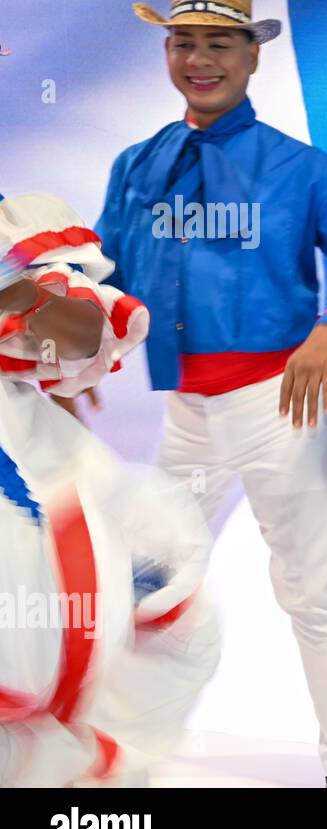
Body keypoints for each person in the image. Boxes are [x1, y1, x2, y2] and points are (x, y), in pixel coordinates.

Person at [91, 0, 327, 787]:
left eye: (218, 42)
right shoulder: (137, 166)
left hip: (280, 404)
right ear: (168, 50)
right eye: (184, 41)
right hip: (186, 414)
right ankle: (117, 753)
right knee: (142, 581)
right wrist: (69, 333)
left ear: (251, 55)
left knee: (311, 593)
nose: (199, 58)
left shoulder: (297, 169)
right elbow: (100, 273)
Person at [0, 191, 218, 787]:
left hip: (32, 455)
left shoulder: (13, 230)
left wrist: (19, 298)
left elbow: (81, 329)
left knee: (164, 593)